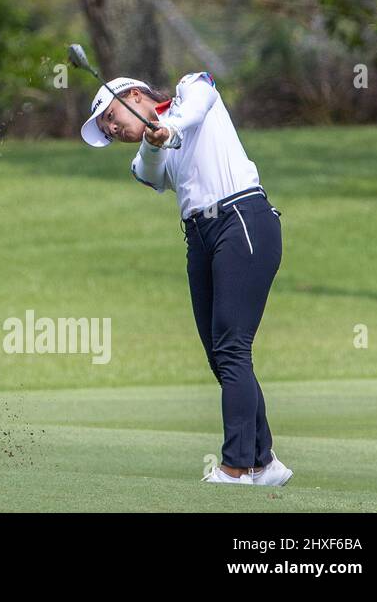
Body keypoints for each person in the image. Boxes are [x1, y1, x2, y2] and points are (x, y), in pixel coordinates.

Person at [79, 71, 291, 486]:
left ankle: (234, 467)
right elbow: (153, 167)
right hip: (199, 236)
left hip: (241, 218)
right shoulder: (141, 160)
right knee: (220, 354)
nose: (111, 129)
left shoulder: (190, 88)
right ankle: (264, 463)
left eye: (109, 118)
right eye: (106, 130)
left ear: (136, 95)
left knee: (231, 347)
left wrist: (169, 127)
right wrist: (156, 139)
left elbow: (197, 106)